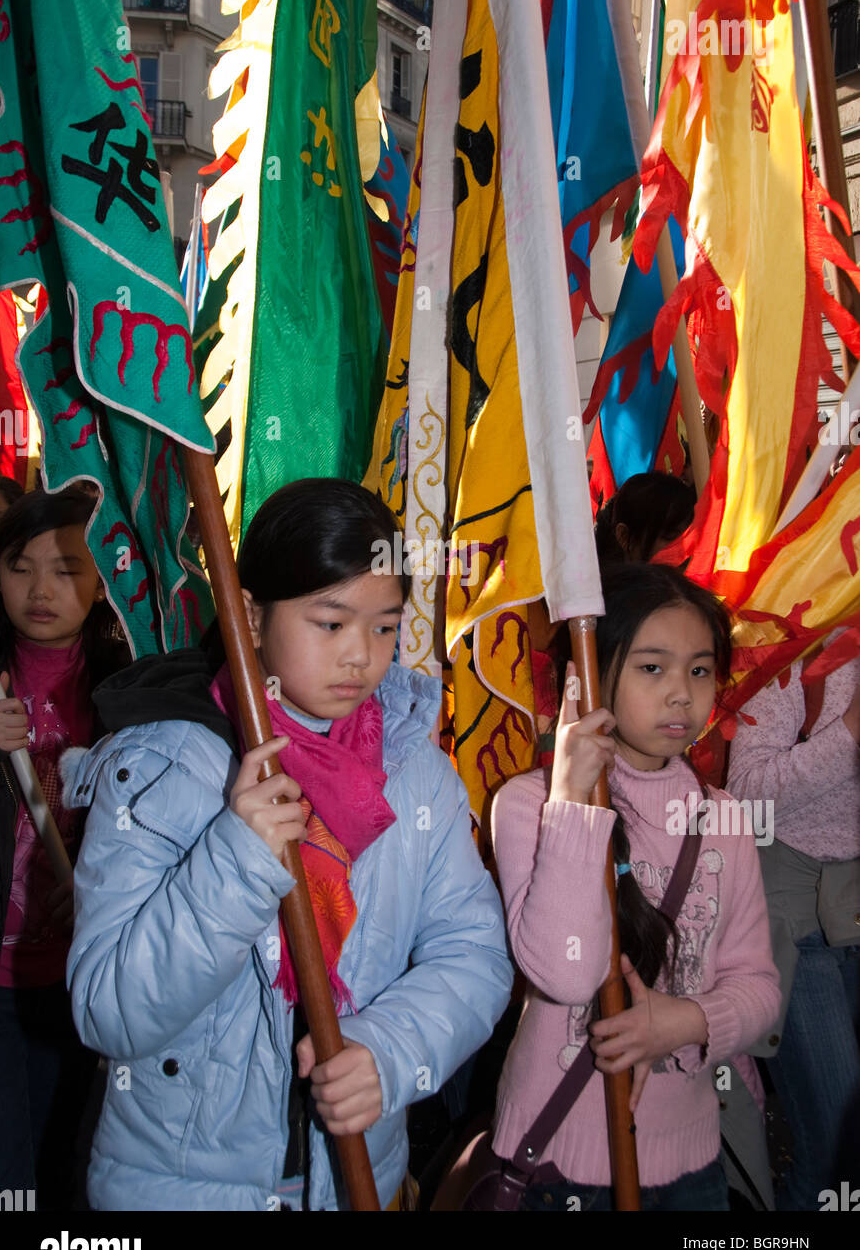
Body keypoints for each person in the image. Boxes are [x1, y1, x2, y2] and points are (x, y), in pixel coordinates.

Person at [65, 478, 513, 1211]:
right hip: (180, 1189)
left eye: (384, 626)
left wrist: (390, 1052)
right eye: (330, 623)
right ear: (249, 615)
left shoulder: (415, 772)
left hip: (351, 1177)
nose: (360, 659)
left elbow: (474, 953)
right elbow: (110, 1011)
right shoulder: (159, 768)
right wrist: (234, 860)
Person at [490, 563, 780, 1211]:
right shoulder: (526, 806)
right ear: (586, 677)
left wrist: (682, 1021)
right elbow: (566, 974)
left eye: (699, 670)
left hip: (690, 1164)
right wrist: (573, 801)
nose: (681, 692)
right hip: (555, 1162)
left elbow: (758, 985)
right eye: (652, 667)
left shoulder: (725, 819)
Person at [0, 488, 130, 1207]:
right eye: (21, 566)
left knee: (70, 1175)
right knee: (5, 1184)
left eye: (68, 568)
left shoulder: (129, 694)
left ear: (103, 578)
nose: (42, 589)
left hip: (82, 983)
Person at [726, 640, 860, 1210]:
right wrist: (852, 729)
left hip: (852, 906)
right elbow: (746, 791)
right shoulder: (799, 642)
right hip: (795, 910)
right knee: (835, 1147)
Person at [594, 471, 696, 567]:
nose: (685, 550)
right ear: (624, 536)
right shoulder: (594, 584)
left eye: (689, 539)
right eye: (670, 537)